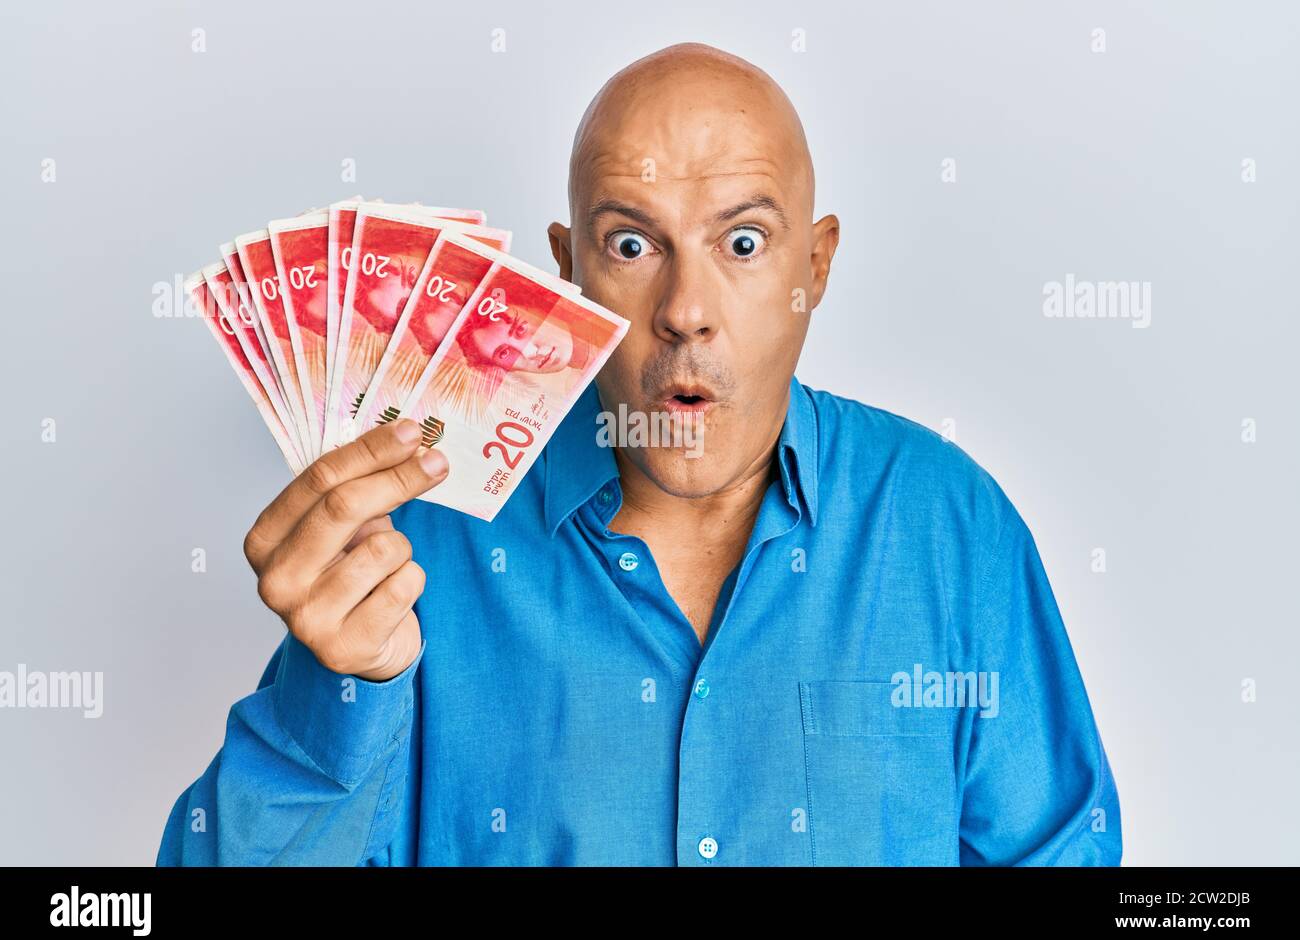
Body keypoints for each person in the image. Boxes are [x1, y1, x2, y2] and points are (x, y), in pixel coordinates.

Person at [158, 42, 1121, 866]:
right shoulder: (416, 551)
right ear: (568, 270)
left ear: (815, 268)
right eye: (630, 245)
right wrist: (333, 706)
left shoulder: (952, 527)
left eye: (744, 242)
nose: (685, 311)